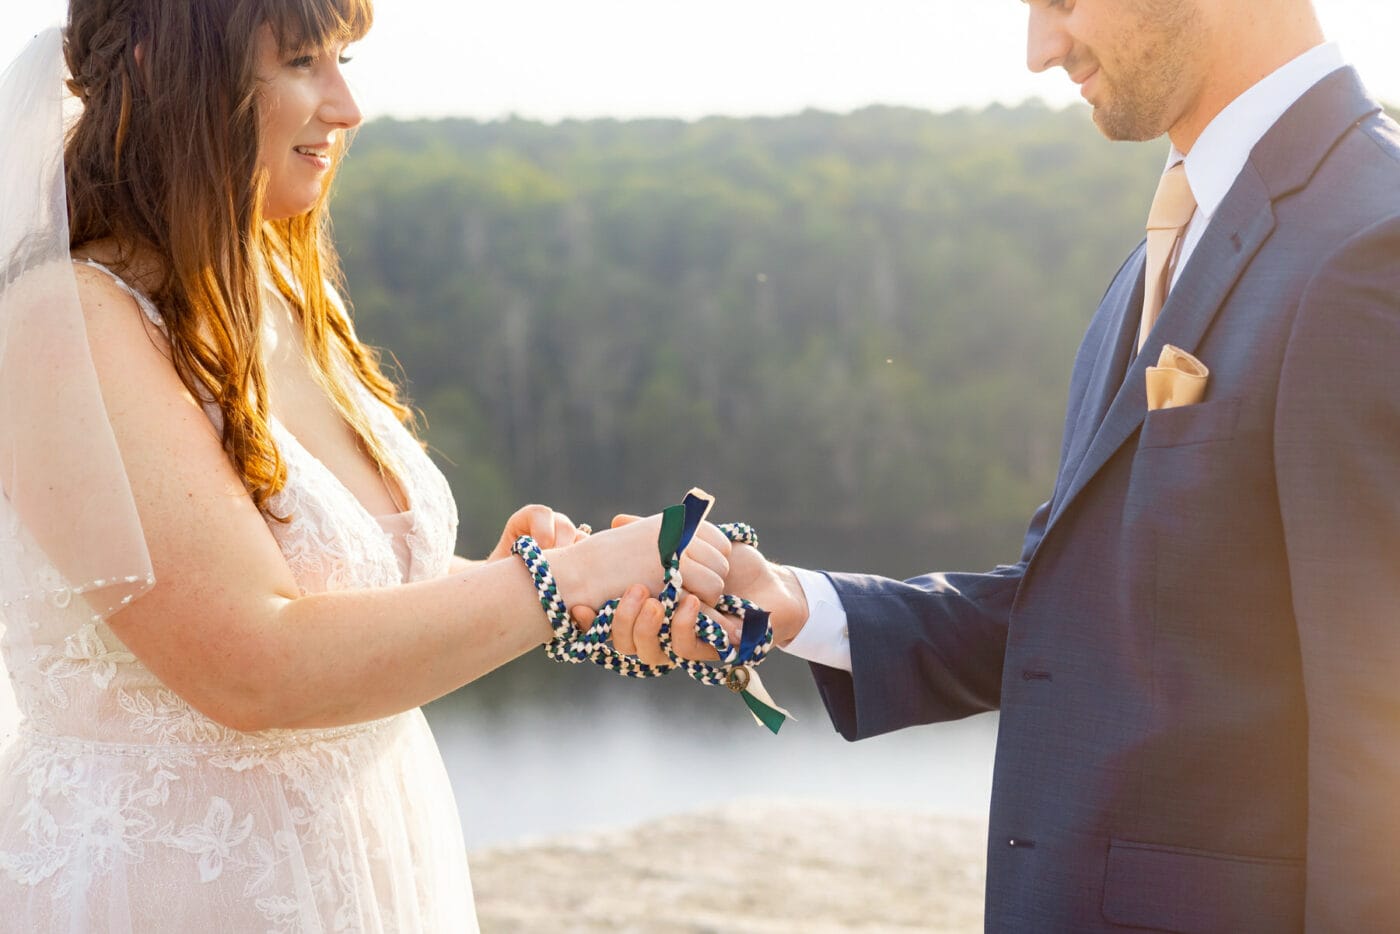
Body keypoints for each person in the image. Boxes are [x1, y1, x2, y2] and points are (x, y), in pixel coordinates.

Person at [615, 0, 1400, 929]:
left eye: (1061, 0)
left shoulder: (1368, 248)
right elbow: (1075, 608)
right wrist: (792, 603)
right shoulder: (1181, 232)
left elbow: (1380, 736)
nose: (1040, 50)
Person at [0, 1, 732, 930]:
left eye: (344, 59)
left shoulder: (270, 281)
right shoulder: (63, 325)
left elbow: (331, 595)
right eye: (304, 62)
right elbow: (251, 666)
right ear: (159, 66)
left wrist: (538, 589)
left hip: (368, 872)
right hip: (169, 891)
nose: (346, 106)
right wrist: (571, 577)